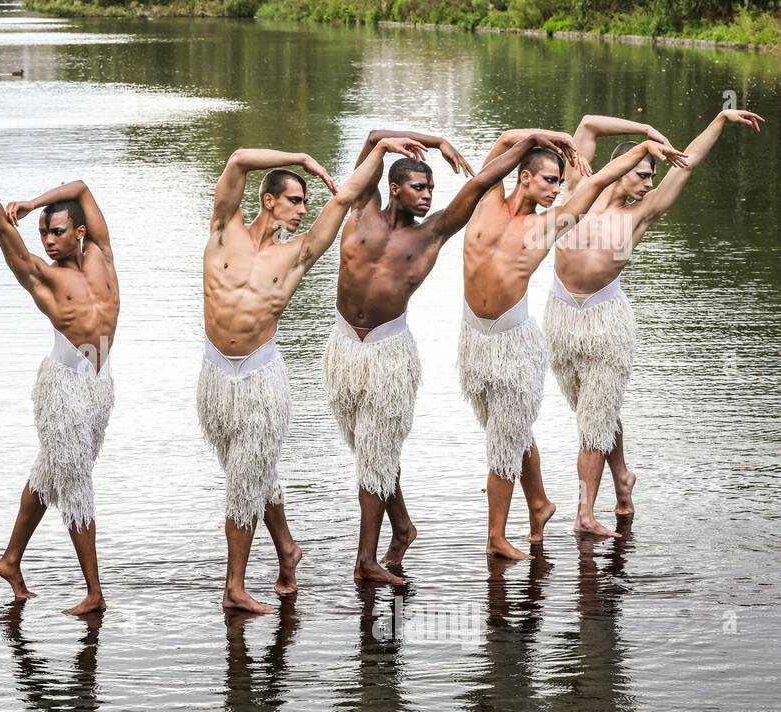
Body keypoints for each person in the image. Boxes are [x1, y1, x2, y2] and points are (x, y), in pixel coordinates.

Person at [326, 130, 574, 583]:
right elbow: (373, 140)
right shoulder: (360, 209)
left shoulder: (434, 232)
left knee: (376, 454)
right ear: (394, 187)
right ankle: (402, 527)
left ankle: (367, 559)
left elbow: (480, 184)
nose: (427, 197)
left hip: (387, 352)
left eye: (432, 190)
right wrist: (430, 140)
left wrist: (533, 139)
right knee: (368, 454)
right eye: (419, 188)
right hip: (342, 350)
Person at [200, 139, 425, 613]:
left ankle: (234, 587)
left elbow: (343, 200)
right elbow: (238, 159)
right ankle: (287, 548)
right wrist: (298, 158)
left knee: (243, 482)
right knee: (252, 475)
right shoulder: (223, 230)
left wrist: (380, 148)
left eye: (306, 202)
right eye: (296, 200)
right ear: (269, 200)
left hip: (262, 381)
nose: (304, 210)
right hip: (214, 380)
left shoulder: (298, 253)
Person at [460, 128, 687, 560]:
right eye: (548, 180)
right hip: (475, 343)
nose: (555, 189)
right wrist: (540, 136)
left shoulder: (553, 223)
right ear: (523, 176)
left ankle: (497, 537)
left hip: (518, 343)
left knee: (509, 441)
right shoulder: (485, 199)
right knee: (511, 433)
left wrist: (640, 147)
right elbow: (505, 145)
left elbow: (599, 181)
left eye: (559, 182)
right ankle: (541, 504)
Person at [547, 109, 764, 538]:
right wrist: (645, 129)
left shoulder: (642, 214)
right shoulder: (577, 187)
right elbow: (588, 124)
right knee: (595, 412)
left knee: (593, 422)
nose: (649, 183)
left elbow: (690, 161)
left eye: (651, 177)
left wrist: (719, 119)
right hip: (560, 318)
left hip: (608, 323)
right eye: (643, 174)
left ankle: (585, 514)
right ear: (624, 165)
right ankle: (623, 477)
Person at [0, 163, 117, 616]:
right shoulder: (41, 274)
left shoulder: (101, 254)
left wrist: (35, 200)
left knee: (50, 473)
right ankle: (94, 591)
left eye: (56, 232)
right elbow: (1, 226)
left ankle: (10, 560)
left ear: (78, 231)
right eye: (41, 234)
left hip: (99, 383)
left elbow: (82, 186)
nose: (48, 241)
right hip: (62, 388)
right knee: (75, 483)